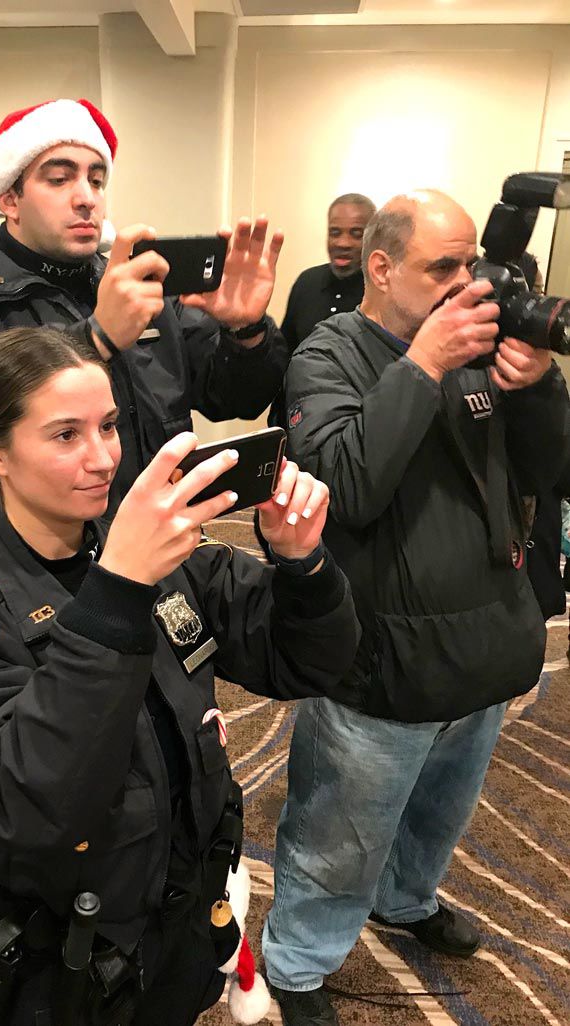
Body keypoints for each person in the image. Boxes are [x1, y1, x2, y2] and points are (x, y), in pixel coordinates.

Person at [0, 324, 360, 1026]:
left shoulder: (164, 560)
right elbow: (24, 806)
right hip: (73, 954)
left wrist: (303, 563)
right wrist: (116, 595)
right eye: (66, 435)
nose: (105, 456)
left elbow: (309, 659)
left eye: (109, 426)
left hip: (186, 906)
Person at [262, 190, 570, 1026]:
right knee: (339, 836)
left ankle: (405, 901)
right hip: (383, 661)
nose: (466, 282)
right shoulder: (326, 356)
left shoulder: (486, 349)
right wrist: (425, 364)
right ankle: (295, 964)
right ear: (383, 267)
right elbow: (347, 488)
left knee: (439, 813)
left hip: (485, 650)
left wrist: (538, 387)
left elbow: (556, 477)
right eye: (444, 267)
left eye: (470, 262)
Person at [0, 98, 289, 537]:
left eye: (97, 181)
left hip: (162, 542)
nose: (86, 199)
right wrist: (93, 340)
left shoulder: (138, 285)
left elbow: (235, 399)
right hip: (36, 569)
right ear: (9, 199)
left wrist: (244, 332)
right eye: (59, 179)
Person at [279, 193, 376, 357]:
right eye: (335, 232)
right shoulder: (307, 282)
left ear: (373, 238)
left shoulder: (383, 292)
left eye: (356, 234)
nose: (342, 243)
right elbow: (284, 354)